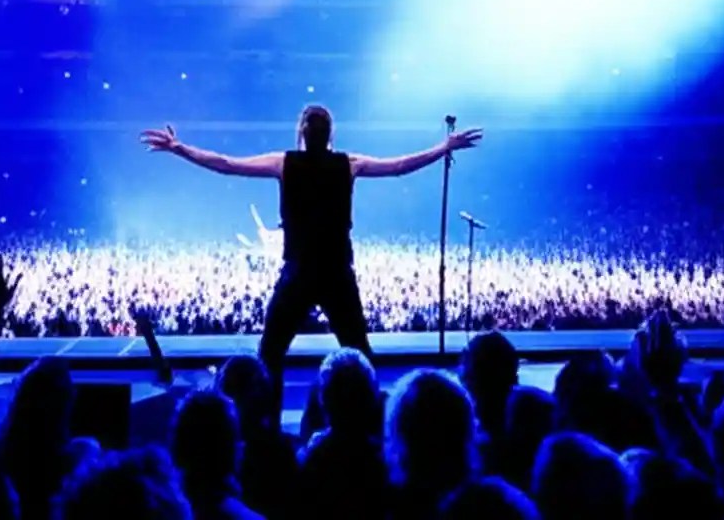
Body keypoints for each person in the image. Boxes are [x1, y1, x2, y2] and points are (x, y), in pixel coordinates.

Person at [141, 105, 484, 415]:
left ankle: (267, 428)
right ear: (330, 132)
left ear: (301, 132)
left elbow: (227, 165)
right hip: (336, 272)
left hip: (299, 272)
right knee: (359, 352)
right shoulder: (348, 164)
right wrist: (443, 148)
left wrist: (180, 148)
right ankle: (369, 423)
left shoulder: (284, 163)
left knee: (271, 353)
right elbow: (398, 167)